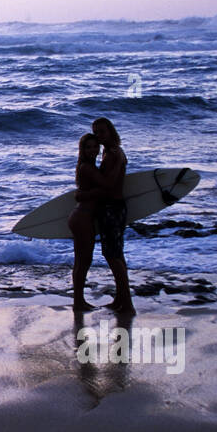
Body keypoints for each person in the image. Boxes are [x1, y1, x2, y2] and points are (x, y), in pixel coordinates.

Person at [92, 116, 133, 314]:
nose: (98, 136)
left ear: (110, 131)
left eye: (102, 131)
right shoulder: (111, 152)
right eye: (96, 132)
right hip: (115, 207)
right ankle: (121, 299)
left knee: (112, 255)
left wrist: (85, 192)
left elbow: (108, 184)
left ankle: (128, 304)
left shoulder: (113, 154)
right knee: (117, 254)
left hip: (112, 208)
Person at [68, 132, 105, 311]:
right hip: (83, 218)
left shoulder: (86, 166)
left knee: (81, 262)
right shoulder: (87, 168)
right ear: (82, 150)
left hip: (81, 217)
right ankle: (78, 302)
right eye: (88, 147)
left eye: (95, 146)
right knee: (83, 262)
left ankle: (78, 301)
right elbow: (107, 187)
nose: (92, 150)